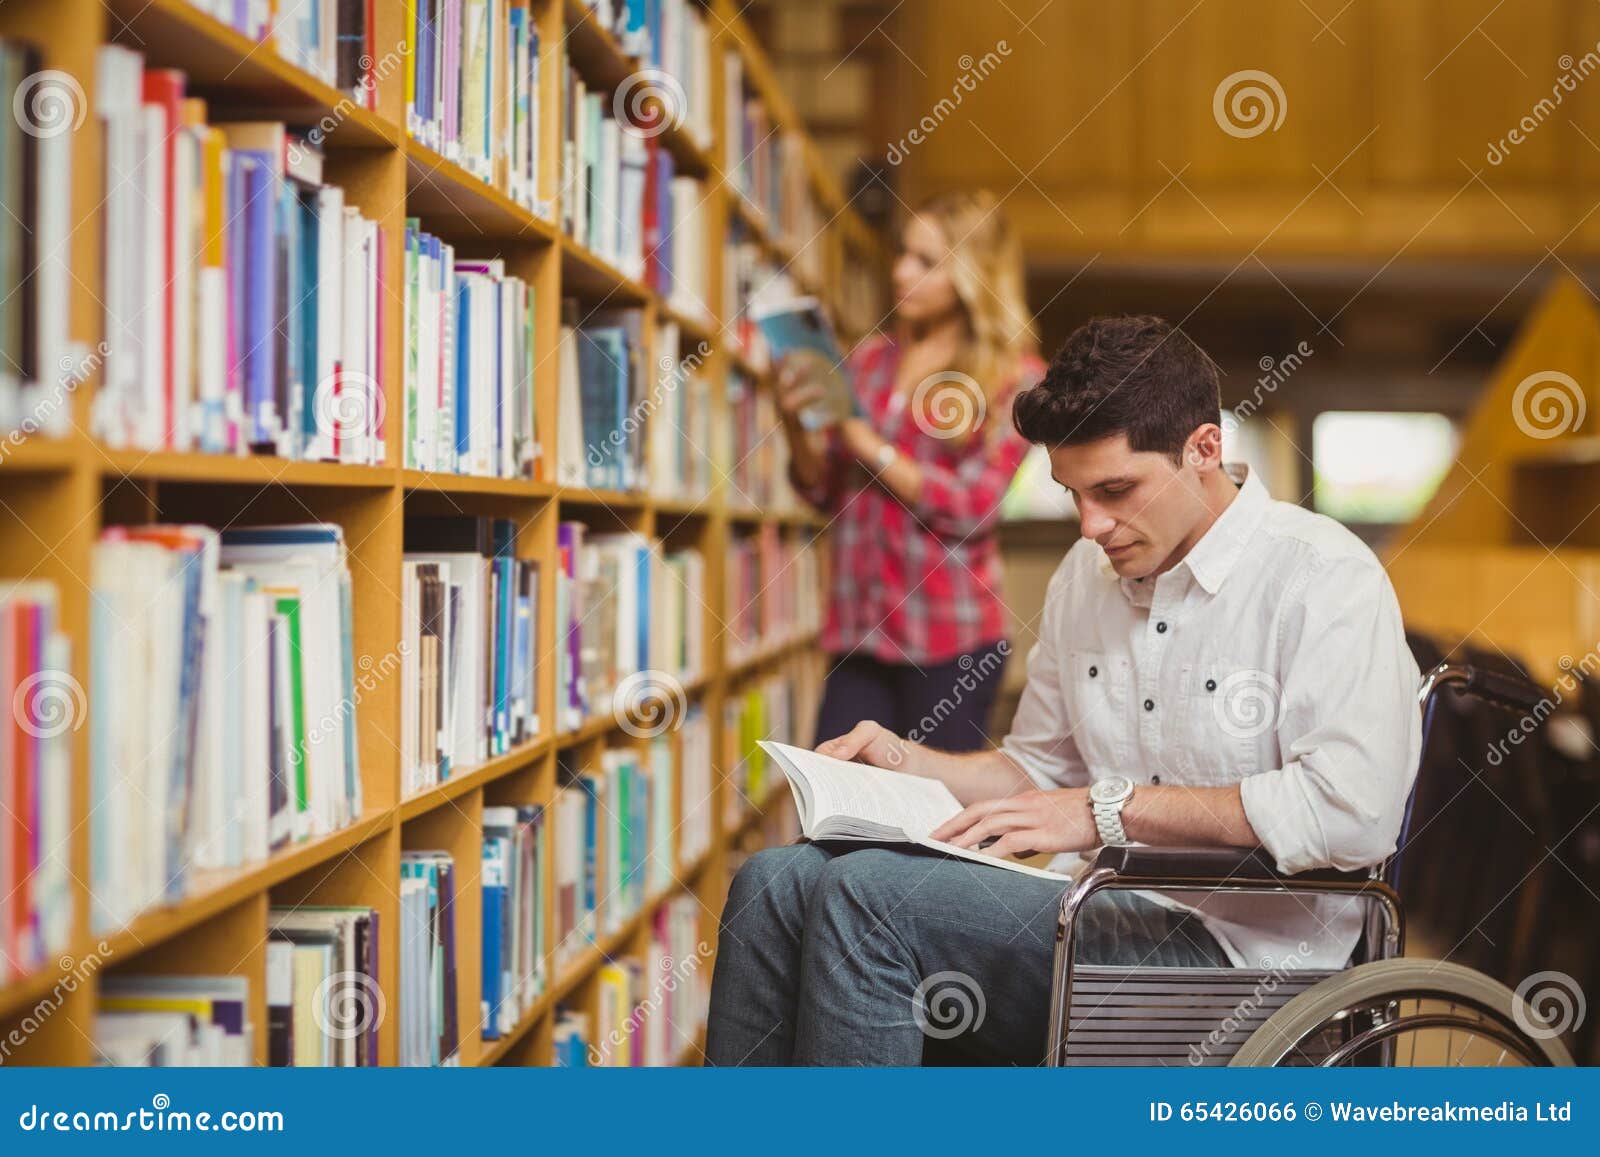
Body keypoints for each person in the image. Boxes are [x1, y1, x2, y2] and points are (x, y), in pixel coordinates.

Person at [705, 315, 1422, 1066]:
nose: (1091, 525)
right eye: (1072, 493)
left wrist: (1101, 810)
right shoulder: (1087, 576)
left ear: (1205, 448)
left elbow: (1353, 812)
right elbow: (1035, 768)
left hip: (1251, 964)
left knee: (866, 898)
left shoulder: (1324, 577)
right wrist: (909, 761)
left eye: (1115, 489)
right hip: (1099, 911)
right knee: (773, 881)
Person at [777, 190, 1043, 755]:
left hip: (951, 640)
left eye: (927, 262)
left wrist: (863, 441)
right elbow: (823, 490)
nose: (901, 271)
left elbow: (973, 506)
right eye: (903, 254)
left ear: (974, 275)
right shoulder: (871, 359)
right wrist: (795, 424)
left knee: (930, 826)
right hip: (858, 631)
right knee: (830, 807)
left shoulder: (1013, 377)